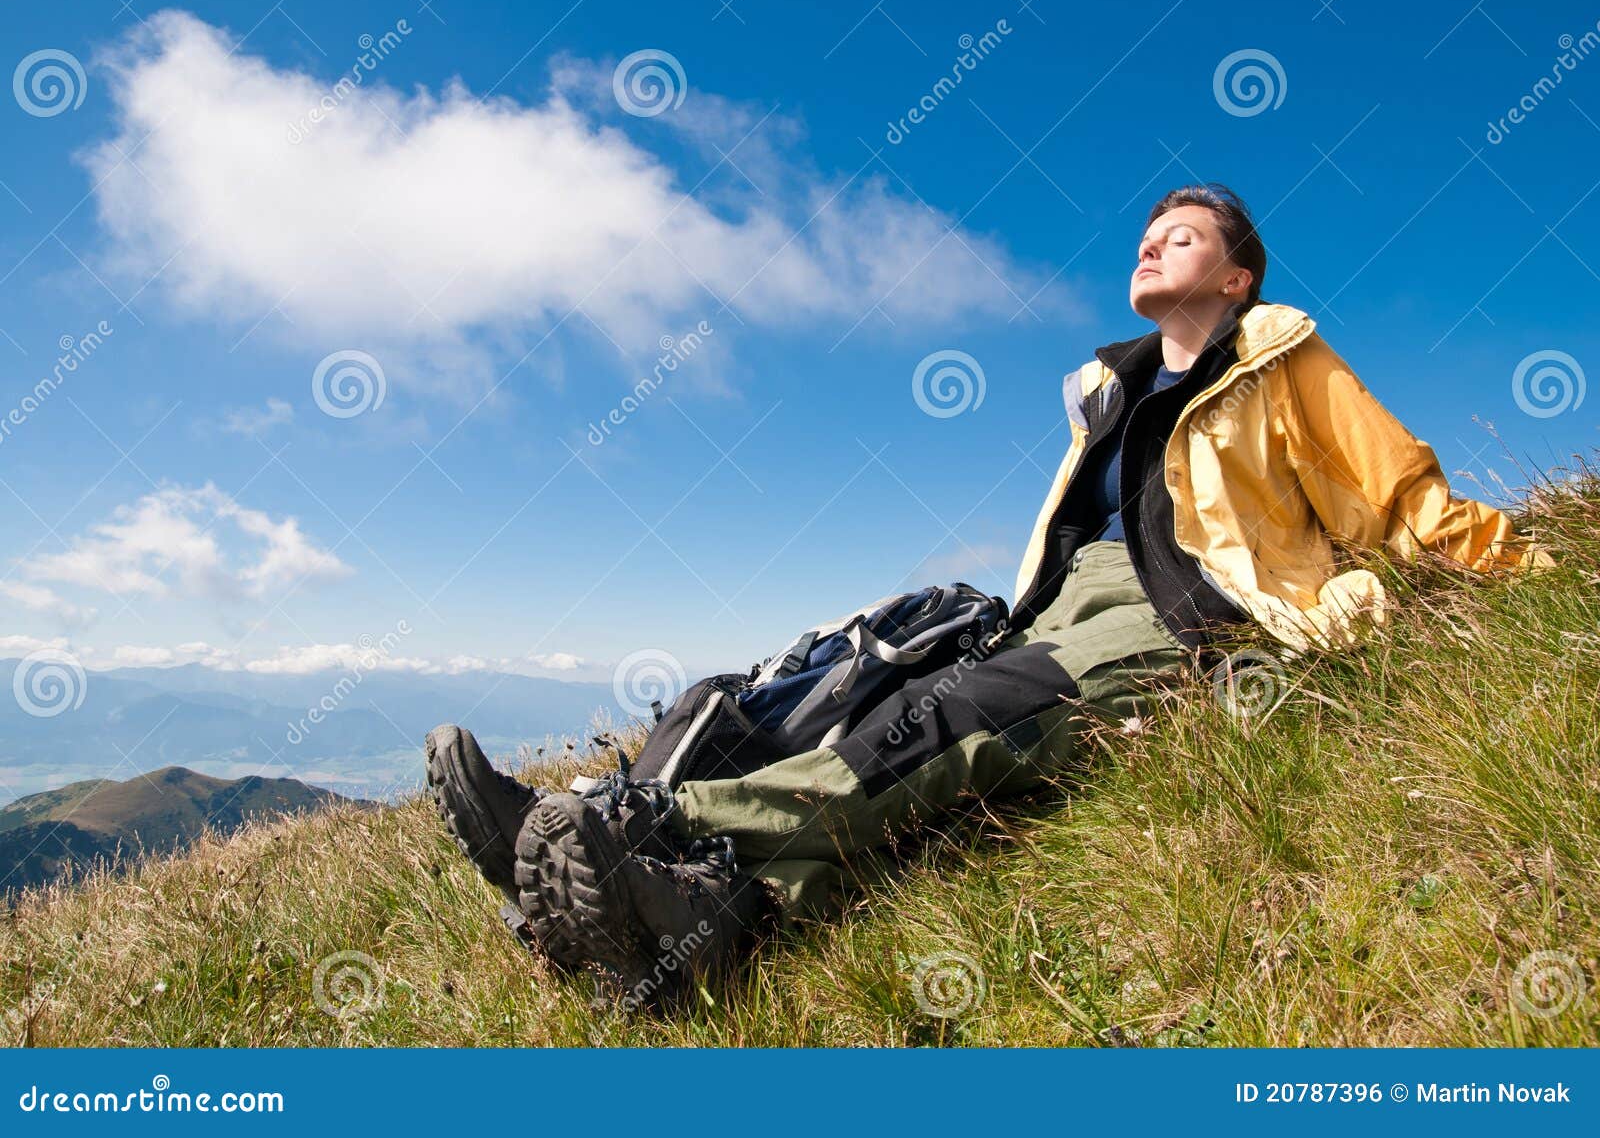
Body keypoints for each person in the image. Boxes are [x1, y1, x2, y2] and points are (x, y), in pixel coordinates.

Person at [425, 182, 1558, 1003]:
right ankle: (700, 925)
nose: (1153, 240)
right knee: (889, 730)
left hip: (1187, 616)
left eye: (1185, 235)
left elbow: (1395, 487)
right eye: (1148, 230)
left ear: (1236, 276)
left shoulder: (1278, 357)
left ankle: (640, 824)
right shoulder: (1112, 388)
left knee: (951, 727)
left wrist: (1542, 575)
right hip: (1062, 607)